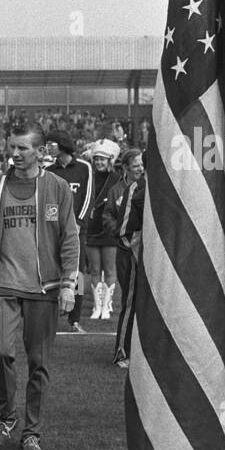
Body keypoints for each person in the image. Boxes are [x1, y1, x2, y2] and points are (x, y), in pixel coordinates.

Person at [0, 123, 79, 450]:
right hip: (3, 284)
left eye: (23, 148)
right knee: (1, 351)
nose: (16, 154)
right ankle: (6, 418)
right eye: (12, 147)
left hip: (44, 288)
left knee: (39, 362)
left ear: (41, 151)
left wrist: (68, 284)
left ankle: (31, 431)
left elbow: (69, 237)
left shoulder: (58, 187)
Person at [45, 131, 93, 332]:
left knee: (78, 275)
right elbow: (47, 200)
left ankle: (74, 319)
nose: (48, 147)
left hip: (77, 232)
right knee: (51, 271)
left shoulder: (84, 168)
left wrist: (78, 223)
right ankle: (50, 315)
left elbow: (88, 196)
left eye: (51, 144)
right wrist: (50, 225)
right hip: (53, 231)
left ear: (62, 145)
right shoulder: (49, 170)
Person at [106, 148, 145, 366]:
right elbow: (109, 218)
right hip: (127, 250)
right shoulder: (119, 190)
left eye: (142, 164)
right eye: (136, 165)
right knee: (130, 302)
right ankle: (122, 351)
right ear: (126, 168)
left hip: (145, 251)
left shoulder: (147, 186)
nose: (140, 168)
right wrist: (126, 241)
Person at [82, 139, 122, 319]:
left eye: (103, 159)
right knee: (95, 270)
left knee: (110, 269)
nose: (99, 162)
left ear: (109, 161)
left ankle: (107, 305)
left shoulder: (116, 178)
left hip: (109, 229)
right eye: (96, 159)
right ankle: (97, 306)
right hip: (91, 228)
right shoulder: (88, 176)